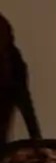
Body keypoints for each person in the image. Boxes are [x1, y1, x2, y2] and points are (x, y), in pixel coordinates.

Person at [0, 11, 41, 144]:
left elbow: (24, 101)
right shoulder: (13, 58)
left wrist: (37, 139)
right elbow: (25, 102)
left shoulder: (12, 60)